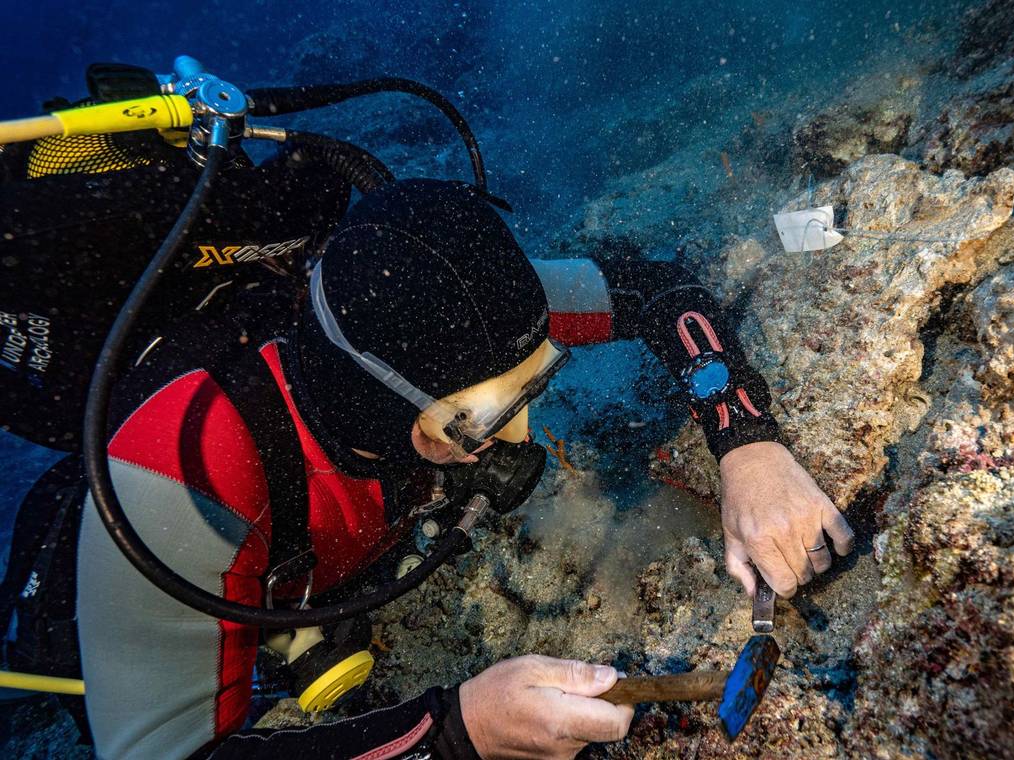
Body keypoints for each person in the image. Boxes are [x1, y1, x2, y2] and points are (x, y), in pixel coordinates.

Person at [65, 177, 854, 759]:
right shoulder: (176, 481)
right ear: (385, 407)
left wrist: (747, 446)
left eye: (538, 380)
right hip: (174, 589)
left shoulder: (473, 315)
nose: (524, 439)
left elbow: (656, 287)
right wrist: (451, 730)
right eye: (476, 422)